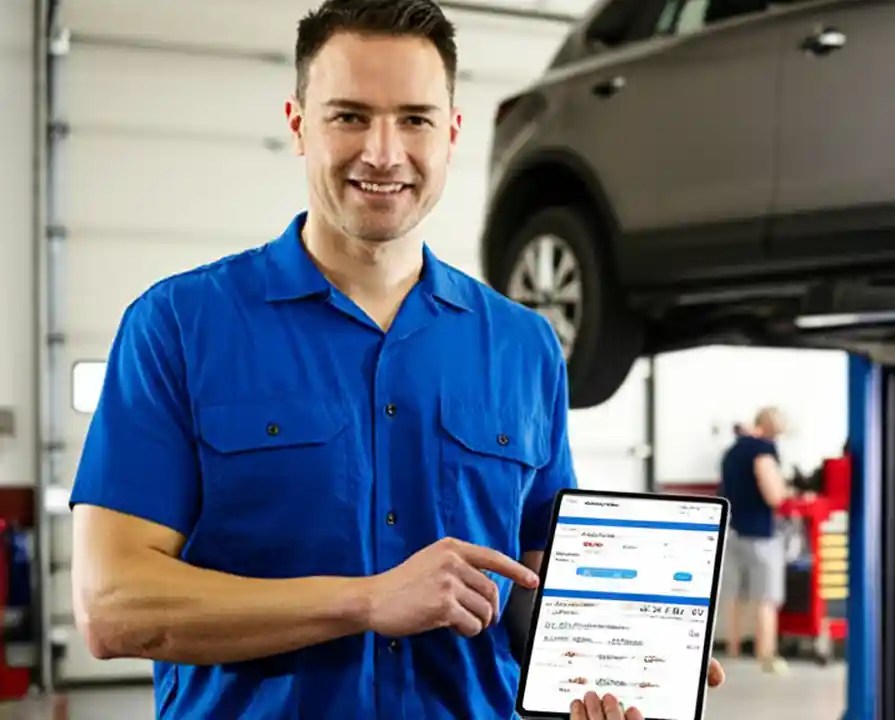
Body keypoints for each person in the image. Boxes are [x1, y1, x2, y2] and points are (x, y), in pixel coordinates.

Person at [66, 1, 722, 718]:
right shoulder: (180, 326)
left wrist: (631, 658)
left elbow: (532, 586)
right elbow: (112, 606)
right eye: (350, 116)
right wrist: (367, 600)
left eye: (414, 118)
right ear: (298, 125)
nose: (384, 152)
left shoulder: (523, 345)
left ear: (451, 132)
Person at [718, 406, 791, 674]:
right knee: (765, 597)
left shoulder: (733, 450)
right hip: (760, 535)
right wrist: (784, 491)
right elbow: (774, 494)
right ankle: (766, 654)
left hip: (732, 530)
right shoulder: (763, 450)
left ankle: (732, 650)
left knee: (734, 594)